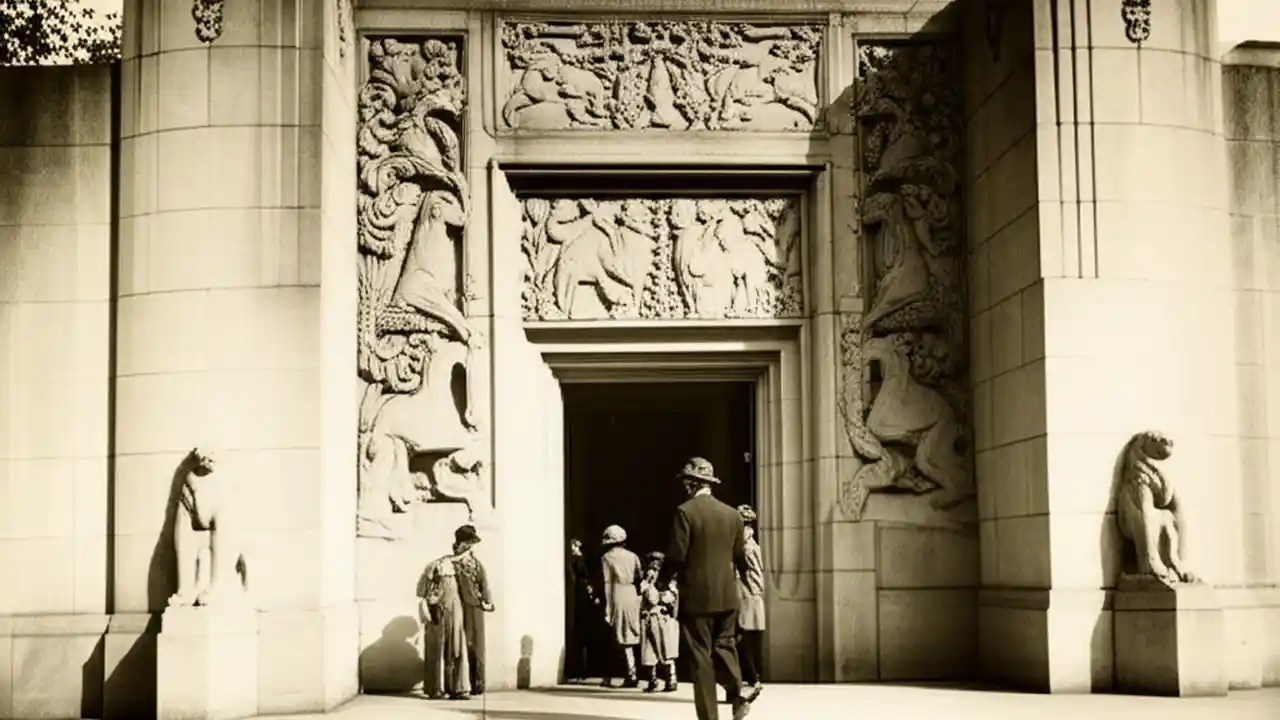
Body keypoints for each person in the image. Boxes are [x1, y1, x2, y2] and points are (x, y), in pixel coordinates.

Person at [658, 457, 753, 720]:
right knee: (725, 646)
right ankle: (737, 690)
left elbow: (676, 555)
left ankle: (710, 718)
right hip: (726, 595)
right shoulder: (734, 515)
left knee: (701, 659)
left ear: (691, 483)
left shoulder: (685, 512)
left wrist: (662, 583)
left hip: (697, 598)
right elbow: (740, 557)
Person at [451, 524, 494, 696]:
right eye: (467, 543)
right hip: (457, 607)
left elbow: (483, 584)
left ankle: (477, 682)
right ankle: (458, 684)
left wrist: (486, 601)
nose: (469, 547)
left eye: (471, 543)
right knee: (459, 645)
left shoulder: (474, 563)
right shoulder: (452, 562)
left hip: (473, 607)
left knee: (475, 645)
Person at [420, 555, 470, 699]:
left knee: (455, 648)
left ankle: (456, 687)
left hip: (453, 612)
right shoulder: (437, 569)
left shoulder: (456, 572)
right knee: (438, 649)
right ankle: (436, 688)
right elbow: (429, 593)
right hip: (440, 612)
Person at [599, 524, 642, 688]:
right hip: (631, 593)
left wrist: (608, 608)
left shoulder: (607, 558)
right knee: (631, 632)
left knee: (618, 635)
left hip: (618, 593)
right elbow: (640, 576)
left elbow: (607, 582)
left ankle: (630, 673)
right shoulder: (633, 556)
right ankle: (634, 671)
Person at [735, 505, 766, 701]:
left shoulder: (745, 546)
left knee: (743, 638)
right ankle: (753, 677)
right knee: (749, 638)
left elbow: (750, 573)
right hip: (753, 594)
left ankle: (752, 678)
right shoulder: (752, 545)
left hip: (747, 594)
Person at [639, 551, 680, 693]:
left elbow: (656, 599)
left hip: (661, 619)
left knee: (665, 649)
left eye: (656, 565)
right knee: (648, 652)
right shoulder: (648, 580)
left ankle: (671, 680)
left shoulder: (668, 583)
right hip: (649, 617)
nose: (653, 568)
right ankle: (653, 680)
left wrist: (649, 586)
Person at [565, 538, 598, 682]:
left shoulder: (579, 562)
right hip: (578, 603)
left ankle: (582, 669)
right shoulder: (575, 562)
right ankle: (579, 668)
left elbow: (583, 573)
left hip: (580, 604)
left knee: (582, 636)